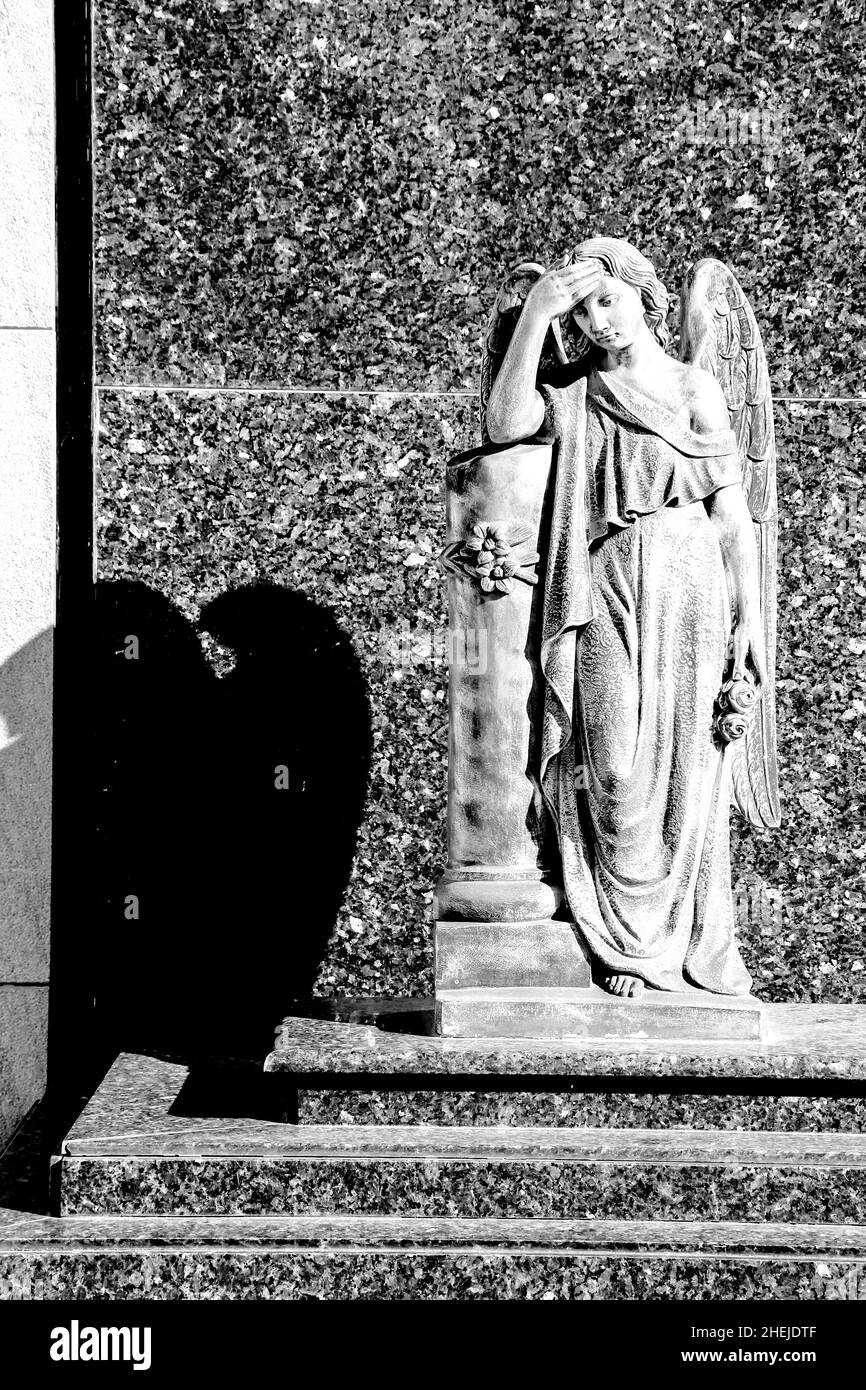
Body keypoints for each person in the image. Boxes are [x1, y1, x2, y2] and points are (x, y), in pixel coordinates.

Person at [484, 237, 767, 998]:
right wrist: (536, 316)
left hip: (691, 583)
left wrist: (751, 618)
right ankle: (621, 935)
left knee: (685, 765)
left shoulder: (693, 388)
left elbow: (733, 517)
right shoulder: (573, 395)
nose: (598, 320)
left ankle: (667, 950)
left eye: (608, 300)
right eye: (582, 310)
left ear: (644, 296)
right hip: (605, 577)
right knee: (607, 762)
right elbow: (504, 424)